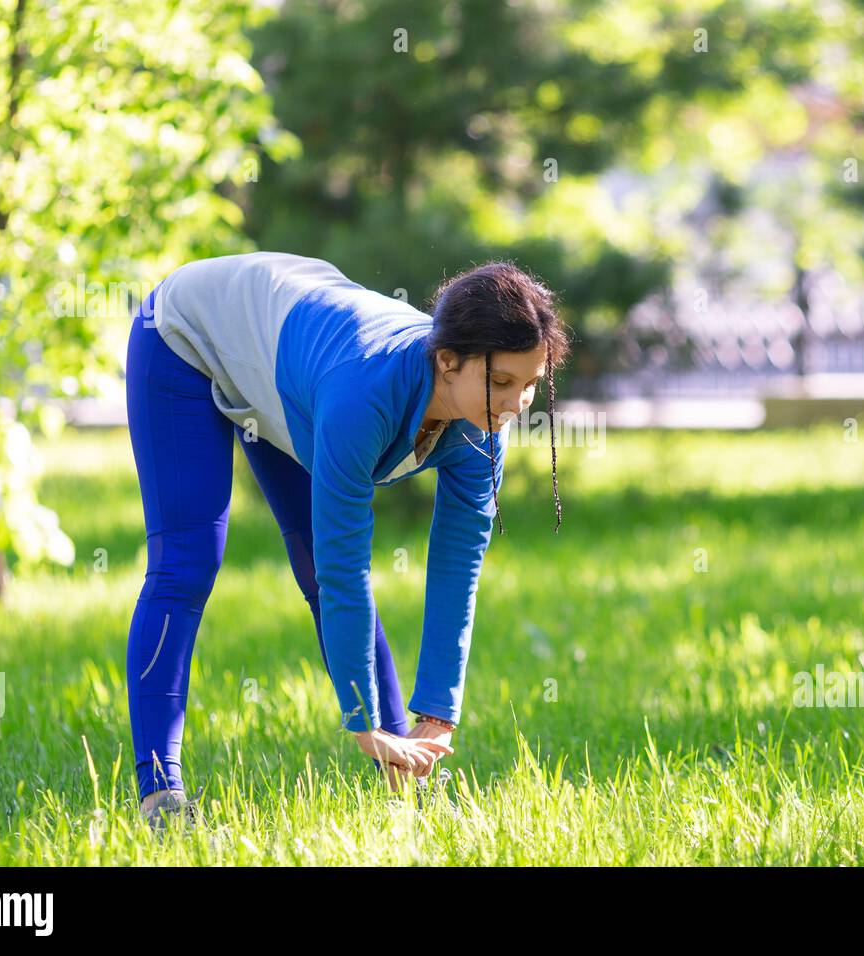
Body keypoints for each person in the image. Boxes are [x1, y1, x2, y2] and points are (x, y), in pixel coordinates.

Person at [123, 252, 569, 828]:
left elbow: (458, 568)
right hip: (188, 335)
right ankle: (160, 794)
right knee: (187, 565)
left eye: (530, 385)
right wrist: (363, 721)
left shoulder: (484, 430)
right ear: (448, 360)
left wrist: (438, 710)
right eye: (501, 383)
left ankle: (404, 783)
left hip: (287, 365)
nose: (515, 406)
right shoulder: (363, 397)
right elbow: (347, 569)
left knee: (312, 564)